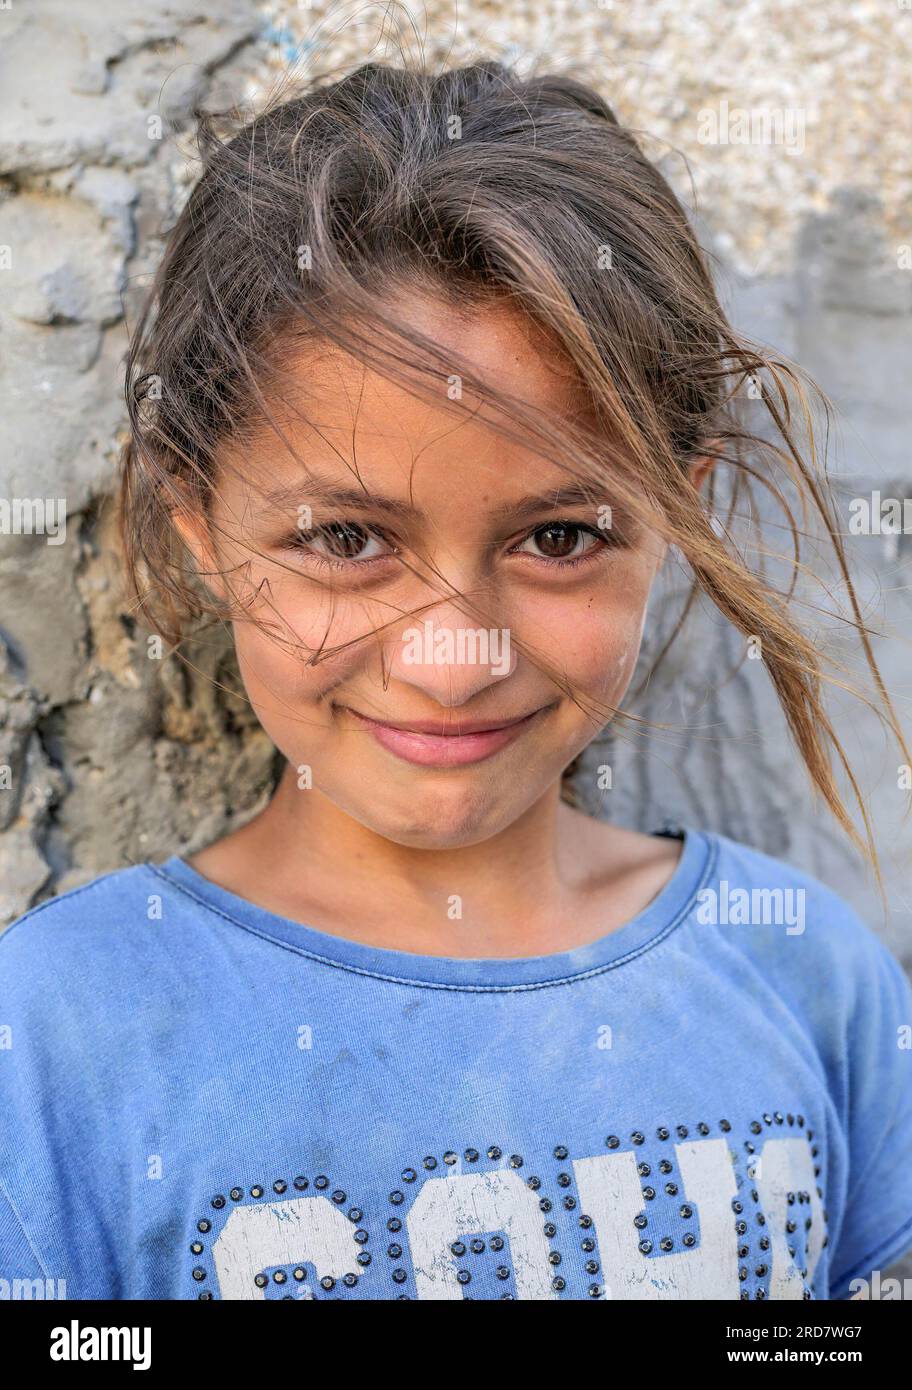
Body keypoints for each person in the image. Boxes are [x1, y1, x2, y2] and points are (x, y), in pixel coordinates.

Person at [1, 59, 910, 1302]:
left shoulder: (806, 973)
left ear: (674, 522)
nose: (453, 656)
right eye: (345, 539)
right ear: (199, 524)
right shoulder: (55, 1034)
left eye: (560, 537)